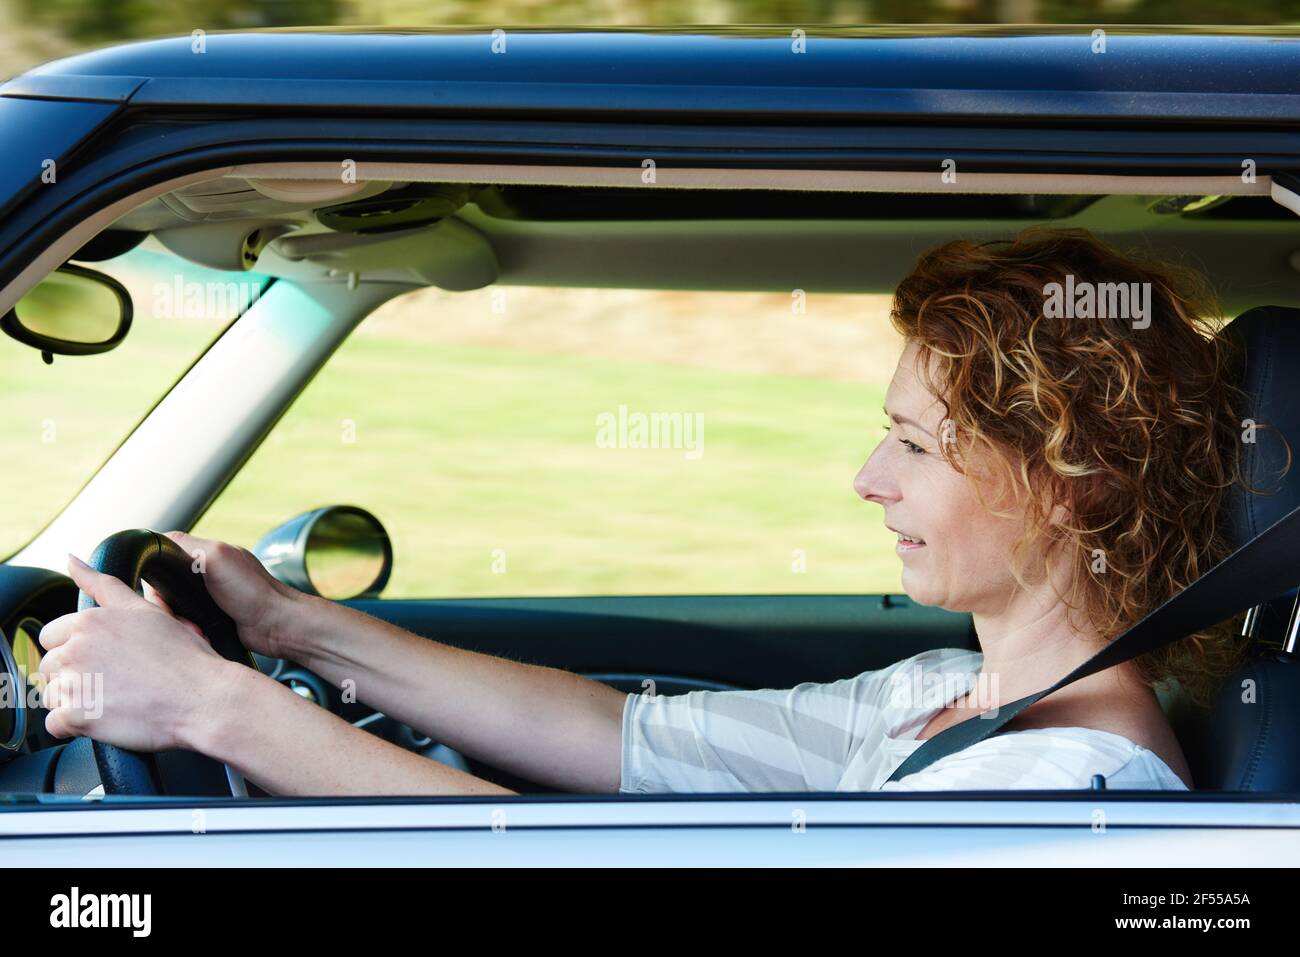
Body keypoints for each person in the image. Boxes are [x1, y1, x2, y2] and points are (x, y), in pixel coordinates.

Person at [37, 228, 1253, 794]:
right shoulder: (941, 696)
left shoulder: (1058, 792)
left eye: (913, 446)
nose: (867, 482)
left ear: (1070, 475)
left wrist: (209, 704)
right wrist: (292, 628)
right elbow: (619, 742)